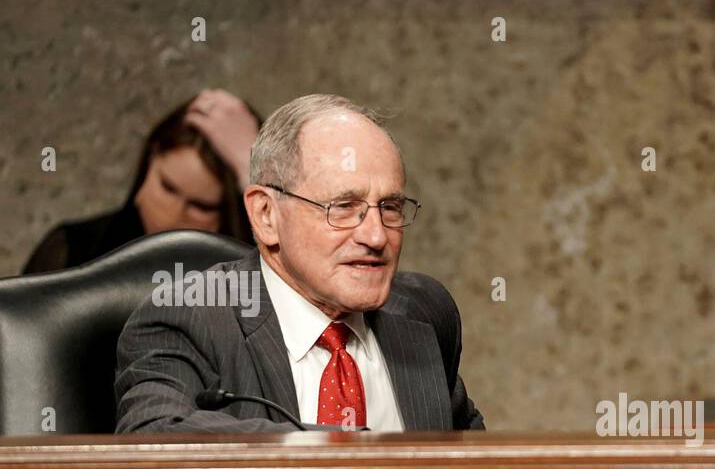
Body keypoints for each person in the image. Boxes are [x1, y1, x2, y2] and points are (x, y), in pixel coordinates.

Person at [115, 93, 483, 434]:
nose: (376, 236)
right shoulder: (189, 318)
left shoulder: (425, 313)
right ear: (265, 215)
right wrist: (347, 451)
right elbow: (154, 434)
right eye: (343, 207)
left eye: (389, 207)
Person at [22, 89, 260, 274]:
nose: (174, 214)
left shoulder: (257, 277)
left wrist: (252, 168)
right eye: (167, 187)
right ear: (149, 162)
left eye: (201, 206)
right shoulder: (73, 251)